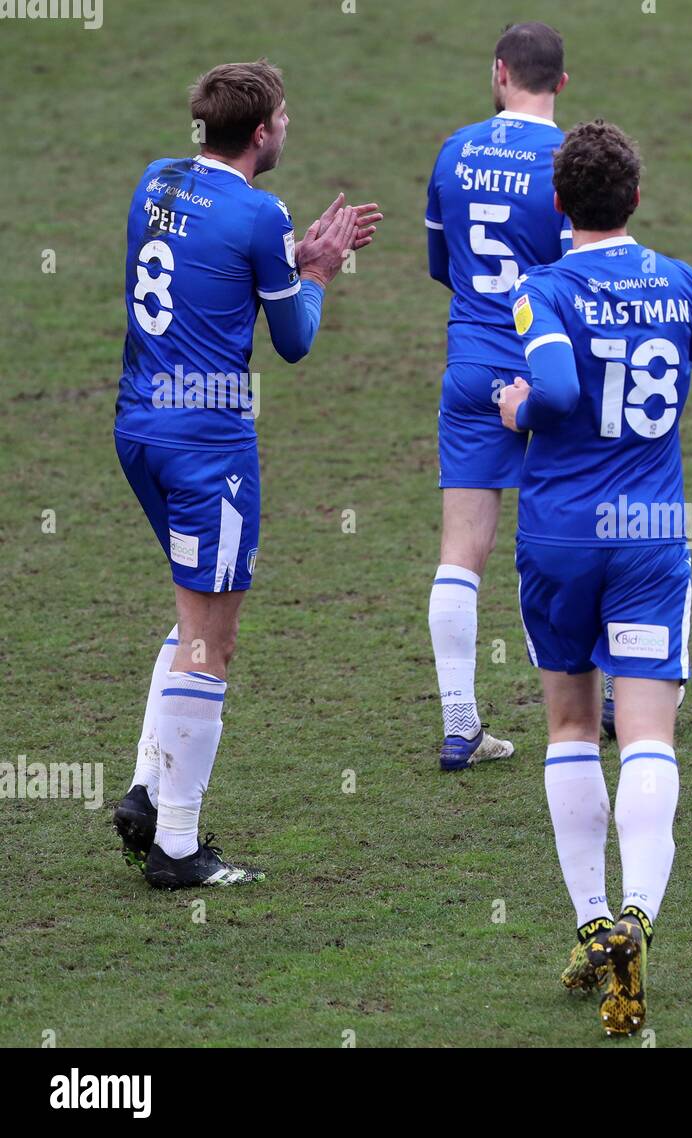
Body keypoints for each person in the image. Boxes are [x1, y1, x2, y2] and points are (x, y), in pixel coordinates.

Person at [498, 121, 692, 1034]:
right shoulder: (679, 284)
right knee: (647, 737)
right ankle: (639, 915)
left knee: (568, 723)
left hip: (559, 537)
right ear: (636, 199)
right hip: (647, 537)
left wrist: (520, 404)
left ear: (560, 204)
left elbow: (554, 394)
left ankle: (591, 921)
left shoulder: (543, 288)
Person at [111, 59, 381, 887]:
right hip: (208, 449)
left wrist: (282, 258)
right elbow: (294, 338)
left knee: (191, 613)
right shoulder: (260, 211)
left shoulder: (157, 181)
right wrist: (317, 271)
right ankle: (179, 849)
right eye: (285, 117)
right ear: (261, 132)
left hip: (138, 431)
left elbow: (207, 268)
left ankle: (146, 794)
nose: (288, 128)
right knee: (212, 639)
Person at [425, 21, 571, 770]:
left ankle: (460, 724)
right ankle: (604, 702)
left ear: (500, 71)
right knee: (575, 539)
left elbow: (443, 267)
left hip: (472, 367)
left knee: (462, 552)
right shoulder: (571, 162)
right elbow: (582, 282)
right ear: (562, 83)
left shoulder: (455, 150)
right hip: (552, 375)